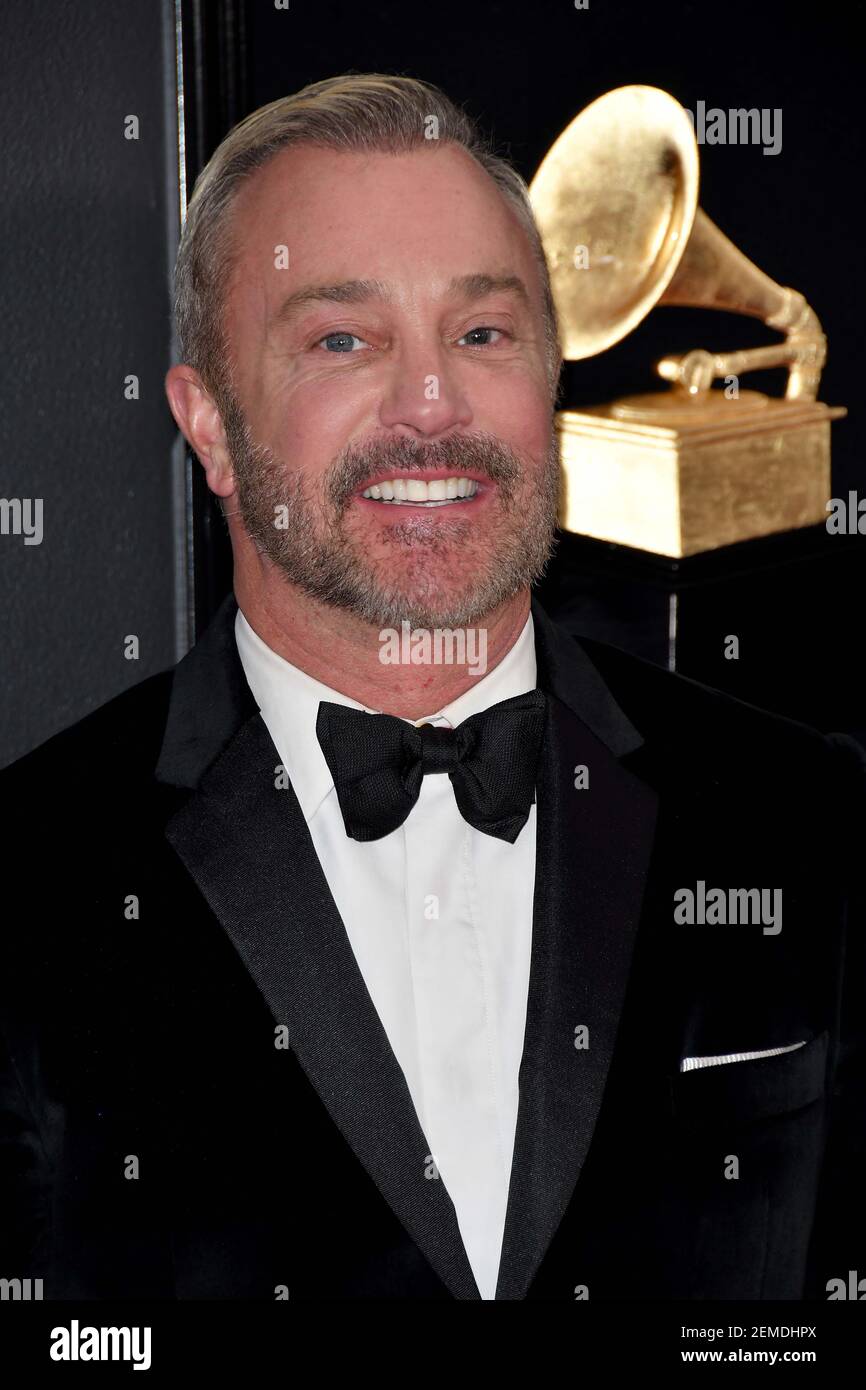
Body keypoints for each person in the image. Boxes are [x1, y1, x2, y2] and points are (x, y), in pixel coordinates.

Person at [1, 73, 863, 1302]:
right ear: (207, 425)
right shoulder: (30, 879)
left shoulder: (806, 815)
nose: (431, 404)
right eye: (341, 339)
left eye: (481, 332)